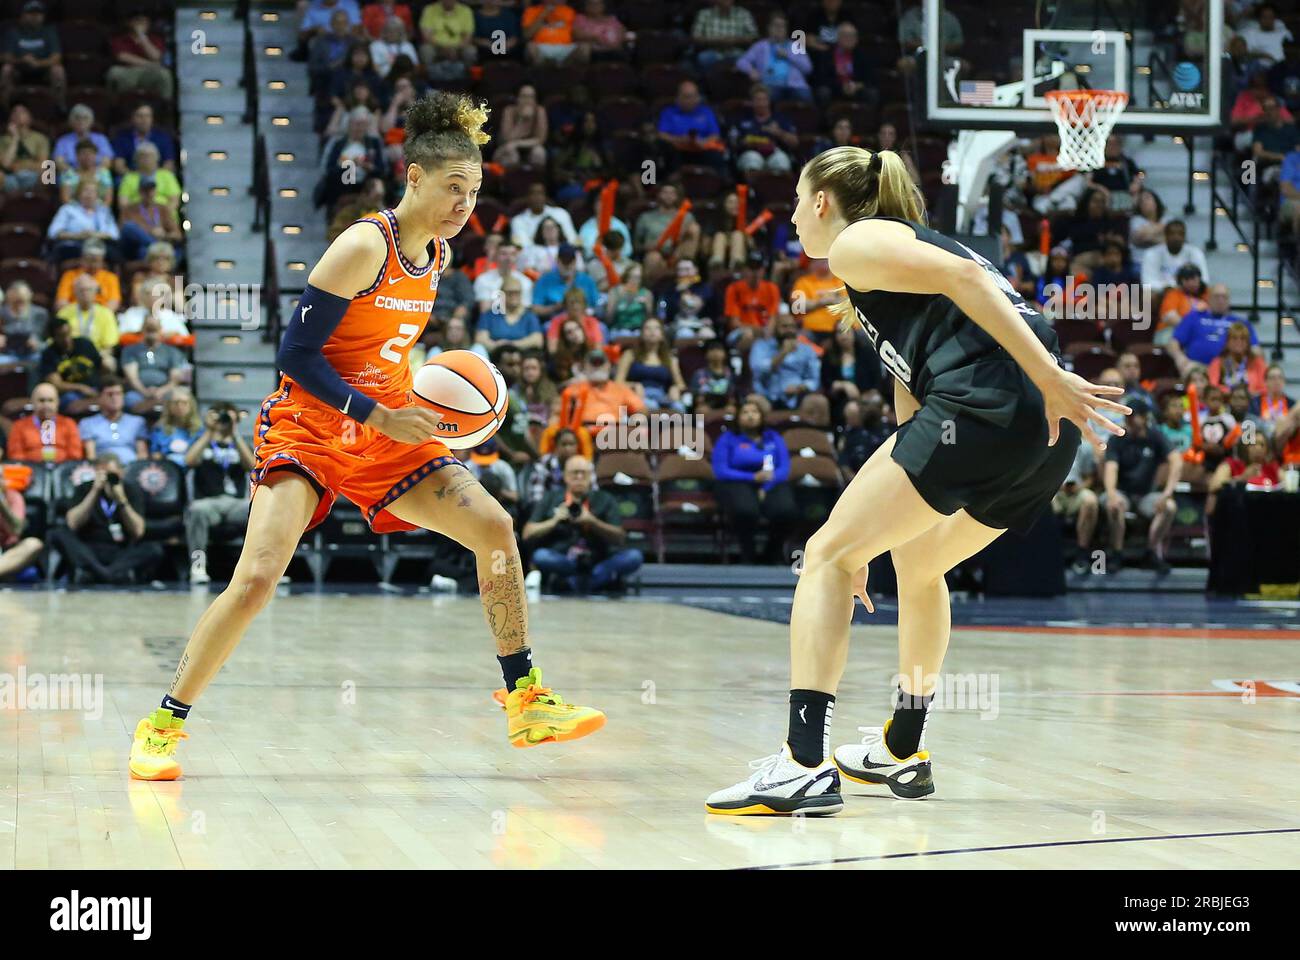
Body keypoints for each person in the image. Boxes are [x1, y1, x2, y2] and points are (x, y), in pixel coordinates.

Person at [125, 93, 604, 782]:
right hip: (312, 427)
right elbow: (295, 356)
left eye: (472, 191)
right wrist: (378, 415)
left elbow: (382, 351)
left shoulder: (436, 255)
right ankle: (163, 724)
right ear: (414, 178)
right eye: (451, 188)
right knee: (258, 578)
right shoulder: (362, 245)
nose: (463, 204)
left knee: (496, 527)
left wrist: (424, 406)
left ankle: (526, 697)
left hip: (388, 429)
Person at [706, 146, 1126, 816]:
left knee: (823, 556)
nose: (788, 217)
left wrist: (1050, 374)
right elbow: (912, 399)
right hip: (1039, 432)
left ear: (822, 201)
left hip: (1000, 403)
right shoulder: (890, 253)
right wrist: (873, 528)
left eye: (793, 200)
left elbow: (965, 277)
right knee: (918, 561)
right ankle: (903, 747)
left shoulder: (858, 243)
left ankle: (803, 765)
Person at [522, 454, 642, 592]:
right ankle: (593, 582)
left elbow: (620, 537)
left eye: (583, 473)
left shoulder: (604, 499)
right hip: (564, 558)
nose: (579, 477)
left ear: (591, 477)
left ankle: (576, 582)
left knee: (634, 557)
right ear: (565, 476)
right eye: (574, 473)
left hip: (599, 559)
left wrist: (593, 521)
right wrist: (554, 521)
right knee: (541, 556)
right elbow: (527, 533)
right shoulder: (551, 498)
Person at [48, 452, 163, 585]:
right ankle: (109, 575)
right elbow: (73, 524)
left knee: (153, 548)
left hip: (120, 550)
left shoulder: (131, 490)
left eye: (113, 474)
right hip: (89, 550)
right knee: (58, 534)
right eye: (105, 474)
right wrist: (94, 491)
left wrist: (122, 500)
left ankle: (101, 574)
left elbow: (138, 531)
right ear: (96, 472)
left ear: (122, 472)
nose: (109, 478)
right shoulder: (85, 488)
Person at [711, 398, 800, 564]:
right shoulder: (728, 438)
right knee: (746, 511)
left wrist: (765, 486)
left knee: (786, 511)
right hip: (737, 482)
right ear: (738, 417)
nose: (750, 416)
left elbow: (784, 468)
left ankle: (772, 552)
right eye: (745, 412)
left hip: (770, 482)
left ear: (761, 416)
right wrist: (752, 477)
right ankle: (748, 553)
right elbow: (721, 470)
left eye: (754, 412)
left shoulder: (773, 438)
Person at [1100, 398, 1181, 574]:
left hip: (1146, 494)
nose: (1129, 421)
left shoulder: (1155, 436)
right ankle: (1117, 553)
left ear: (1145, 418)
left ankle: (1151, 553)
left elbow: (1176, 461)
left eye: (1133, 417)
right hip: (1122, 492)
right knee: (1113, 505)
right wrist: (1112, 493)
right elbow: (1111, 468)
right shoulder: (1117, 438)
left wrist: (1167, 492)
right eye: (1127, 417)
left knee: (1169, 507)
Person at [185, 402, 256, 585]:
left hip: (235, 503)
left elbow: (252, 466)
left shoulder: (240, 443)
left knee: (259, 511)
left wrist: (234, 433)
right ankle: (198, 566)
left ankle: (260, 569)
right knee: (196, 511)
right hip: (209, 503)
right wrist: (209, 432)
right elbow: (190, 460)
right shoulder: (203, 442)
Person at [5, 382, 84, 463]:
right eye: (41, 400)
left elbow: (75, 455)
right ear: (32, 402)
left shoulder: (69, 424)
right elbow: (15, 456)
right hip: (30, 472)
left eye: (50, 400)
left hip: (63, 472)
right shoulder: (19, 426)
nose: (46, 405)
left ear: (57, 402)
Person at [79, 377, 149, 464]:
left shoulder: (137, 422)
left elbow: (142, 454)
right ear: (100, 397)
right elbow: (91, 456)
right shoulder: (88, 423)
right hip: (103, 470)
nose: (115, 398)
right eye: (110, 394)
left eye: (118, 394)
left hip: (132, 471)